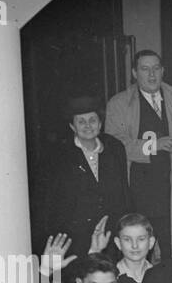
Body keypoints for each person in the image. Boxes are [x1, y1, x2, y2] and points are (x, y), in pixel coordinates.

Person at [105, 50, 172, 257]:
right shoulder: (119, 103)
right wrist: (153, 145)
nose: (151, 75)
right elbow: (115, 145)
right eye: (144, 69)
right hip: (138, 191)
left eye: (156, 68)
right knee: (138, 250)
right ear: (134, 73)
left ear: (163, 71)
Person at [39, 96, 131, 260]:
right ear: (72, 126)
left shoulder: (115, 148)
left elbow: (124, 191)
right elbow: (52, 201)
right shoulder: (59, 155)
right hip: (76, 237)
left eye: (92, 120)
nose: (88, 126)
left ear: (100, 124)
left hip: (110, 234)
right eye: (81, 122)